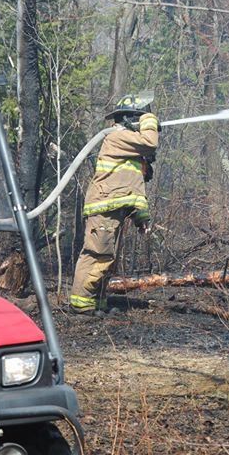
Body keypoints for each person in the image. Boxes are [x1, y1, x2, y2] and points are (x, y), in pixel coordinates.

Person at [68, 92, 160, 317]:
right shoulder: (117, 138)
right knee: (97, 255)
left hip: (113, 209)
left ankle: (97, 302)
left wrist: (142, 217)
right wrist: (150, 120)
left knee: (108, 258)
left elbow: (133, 186)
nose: (143, 123)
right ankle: (82, 304)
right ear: (130, 118)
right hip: (104, 208)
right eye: (140, 117)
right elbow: (150, 142)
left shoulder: (129, 147)